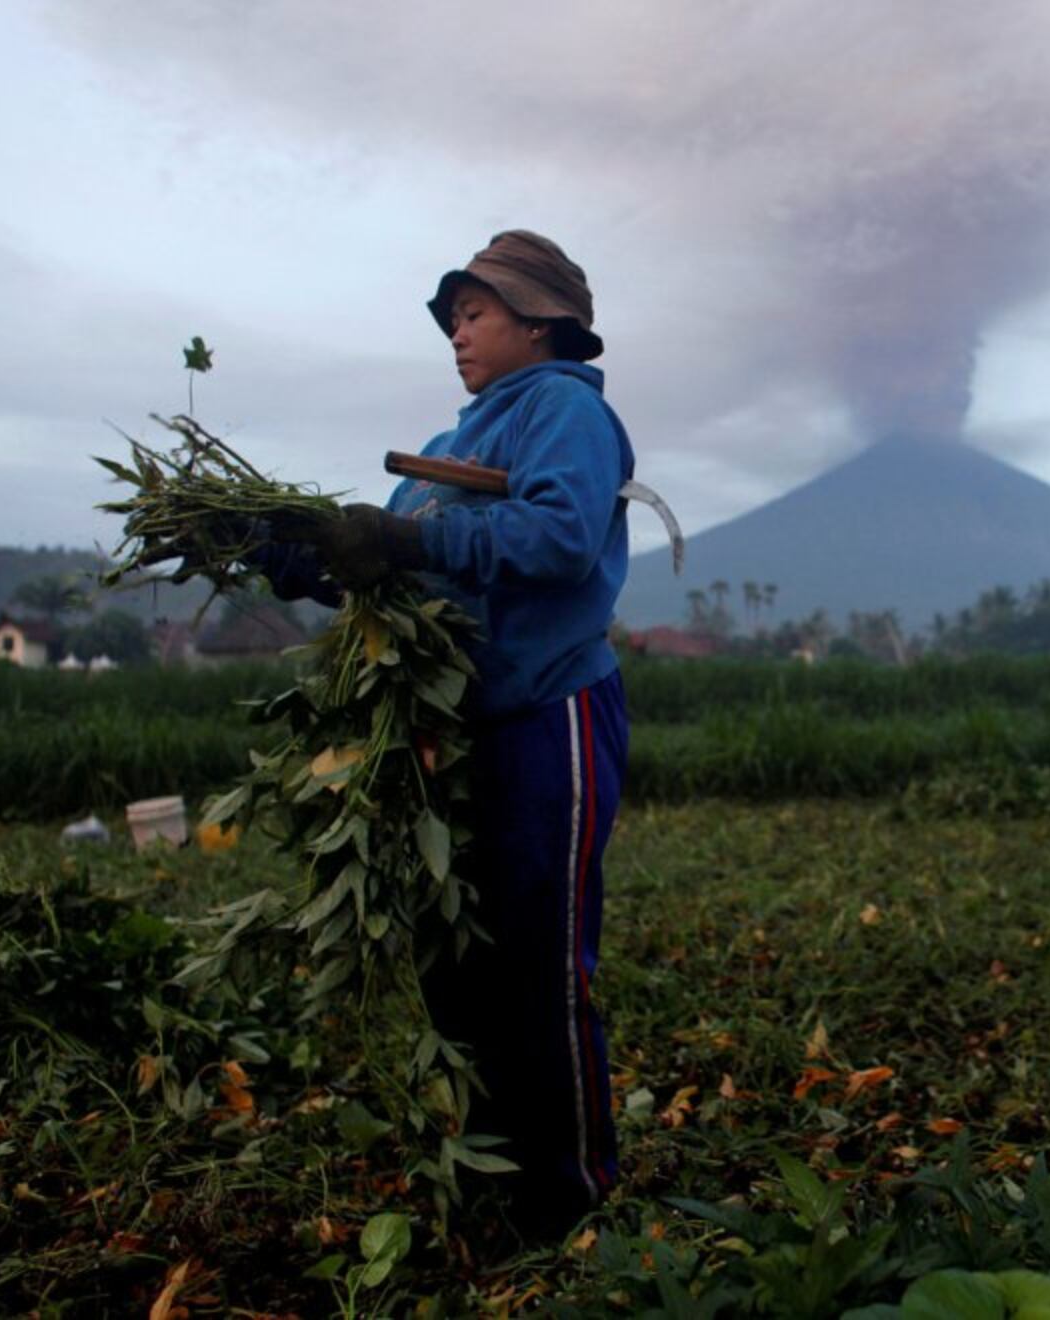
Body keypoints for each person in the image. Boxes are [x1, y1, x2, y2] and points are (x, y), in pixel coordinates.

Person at [259, 230, 631, 1240]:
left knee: (539, 961)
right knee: (460, 962)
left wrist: (411, 538)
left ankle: (567, 1197)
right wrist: (300, 562)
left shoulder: (562, 411)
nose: (456, 334)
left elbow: (555, 538)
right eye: (453, 318)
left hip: (545, 713)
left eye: (474, 314)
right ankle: (491, 1180)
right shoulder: (452, 443)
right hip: (456, 736)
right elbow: (406, 575)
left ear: (540, 320)